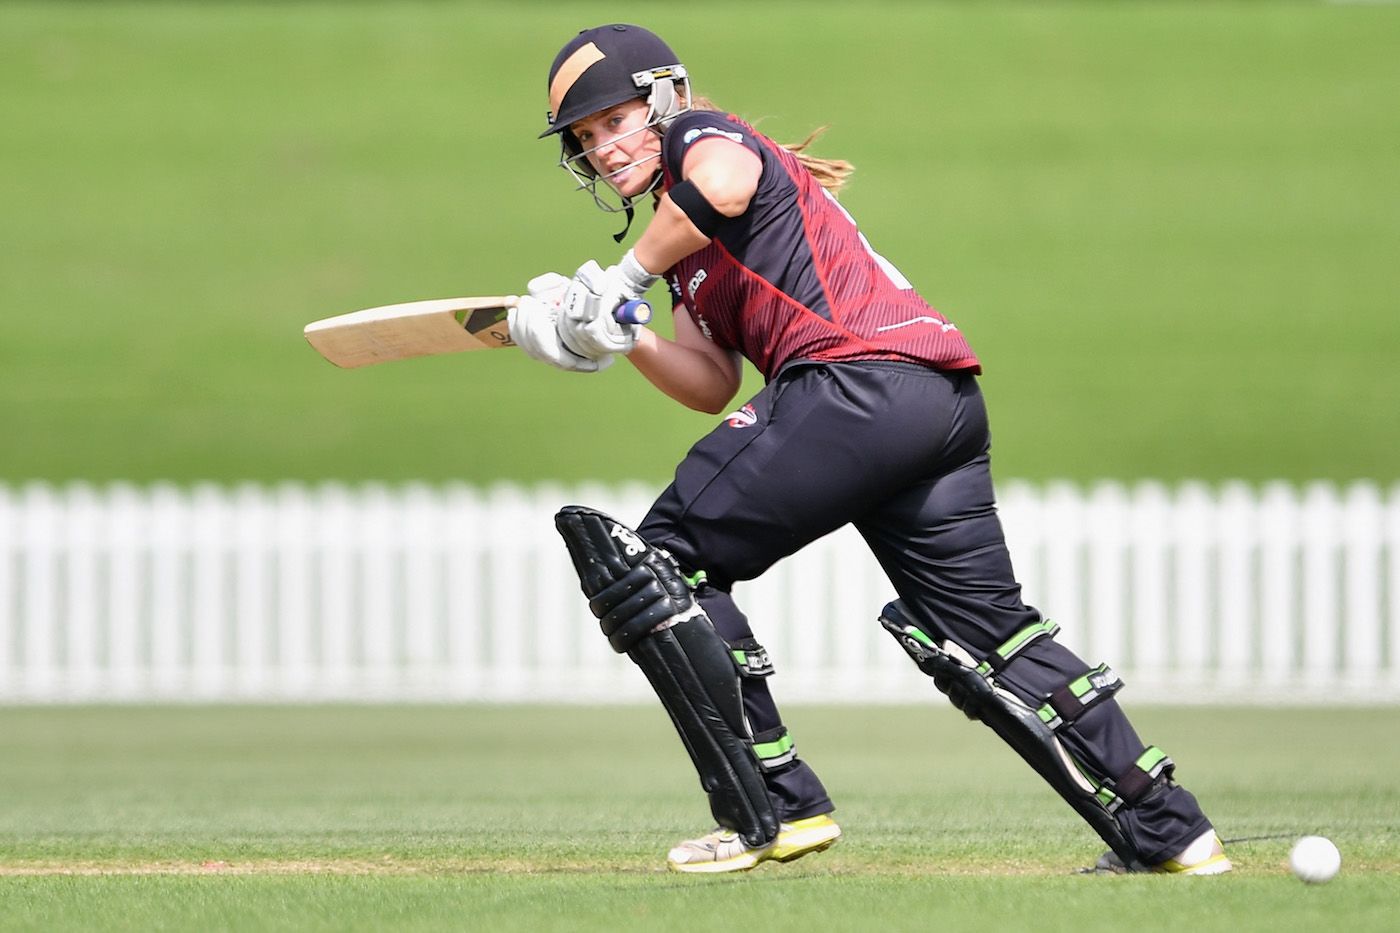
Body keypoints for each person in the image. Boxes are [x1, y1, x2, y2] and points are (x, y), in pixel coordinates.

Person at [508, 23, 1232, 877]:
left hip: (856, 386)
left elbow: (726, 184)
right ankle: (1170, 828)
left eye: (615, 122)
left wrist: (619, 280)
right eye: (586, 140)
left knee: (659, 560)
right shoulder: (684, 255)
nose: (604, 148)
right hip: (936, 401)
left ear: (665, 97)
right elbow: (708, 379)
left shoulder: (707, 137)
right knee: (985, 632)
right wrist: (621, 335)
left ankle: (775, 806)